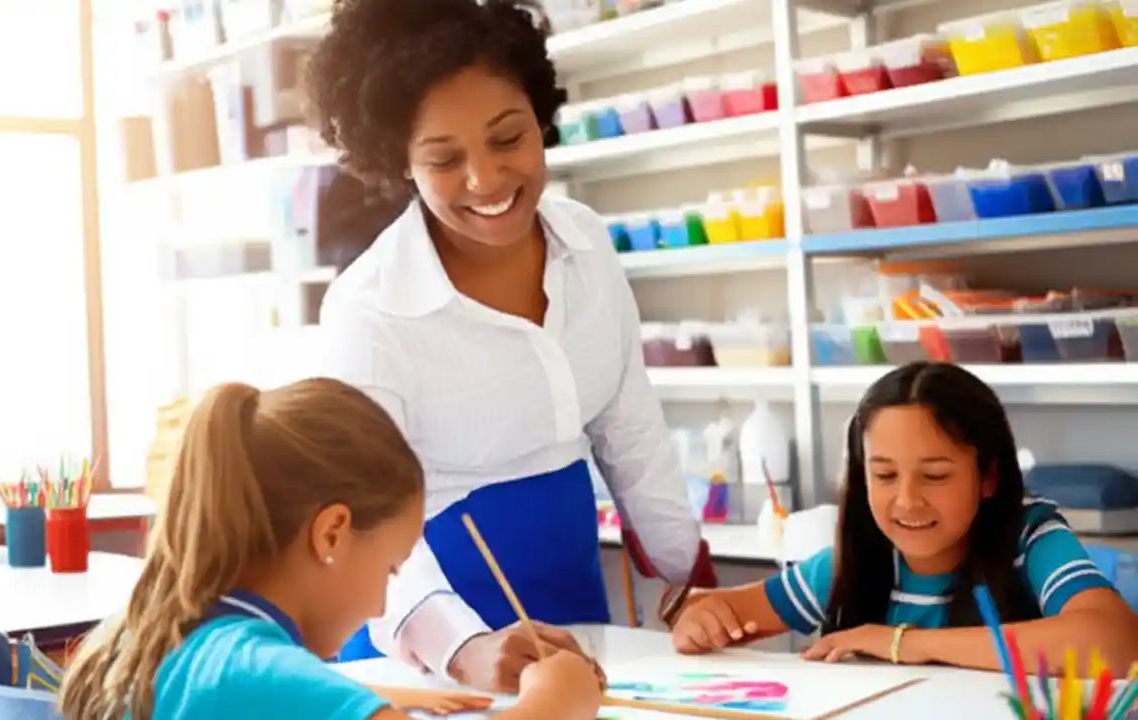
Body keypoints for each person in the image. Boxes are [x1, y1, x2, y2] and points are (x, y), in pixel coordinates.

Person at [307, 0, 718, 693]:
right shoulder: (369, 310)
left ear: (540, 116)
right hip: (422, 638)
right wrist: (460, 646)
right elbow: (362, 517)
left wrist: (688, 582)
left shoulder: (586, 245)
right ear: (400, 161)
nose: (487, 179)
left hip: (569, 602)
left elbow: (631, 431)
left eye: (508, 138)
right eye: (445, 159)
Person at [58, 378, 602, 720]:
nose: (381, 605)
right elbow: (275, 690)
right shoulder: (256, 673)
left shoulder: (154, 639)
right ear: (331, 534)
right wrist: (555, 702)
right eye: (390, 571)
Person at [670, 362, 1138, 675]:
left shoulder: (1031, 538)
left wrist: (903, 643)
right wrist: (701, 618)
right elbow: (719, 610)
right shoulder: (857, 560)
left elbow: (1115, 642)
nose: (907, 500)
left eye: (935, 476)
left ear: (988, 476)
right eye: (885, 475)